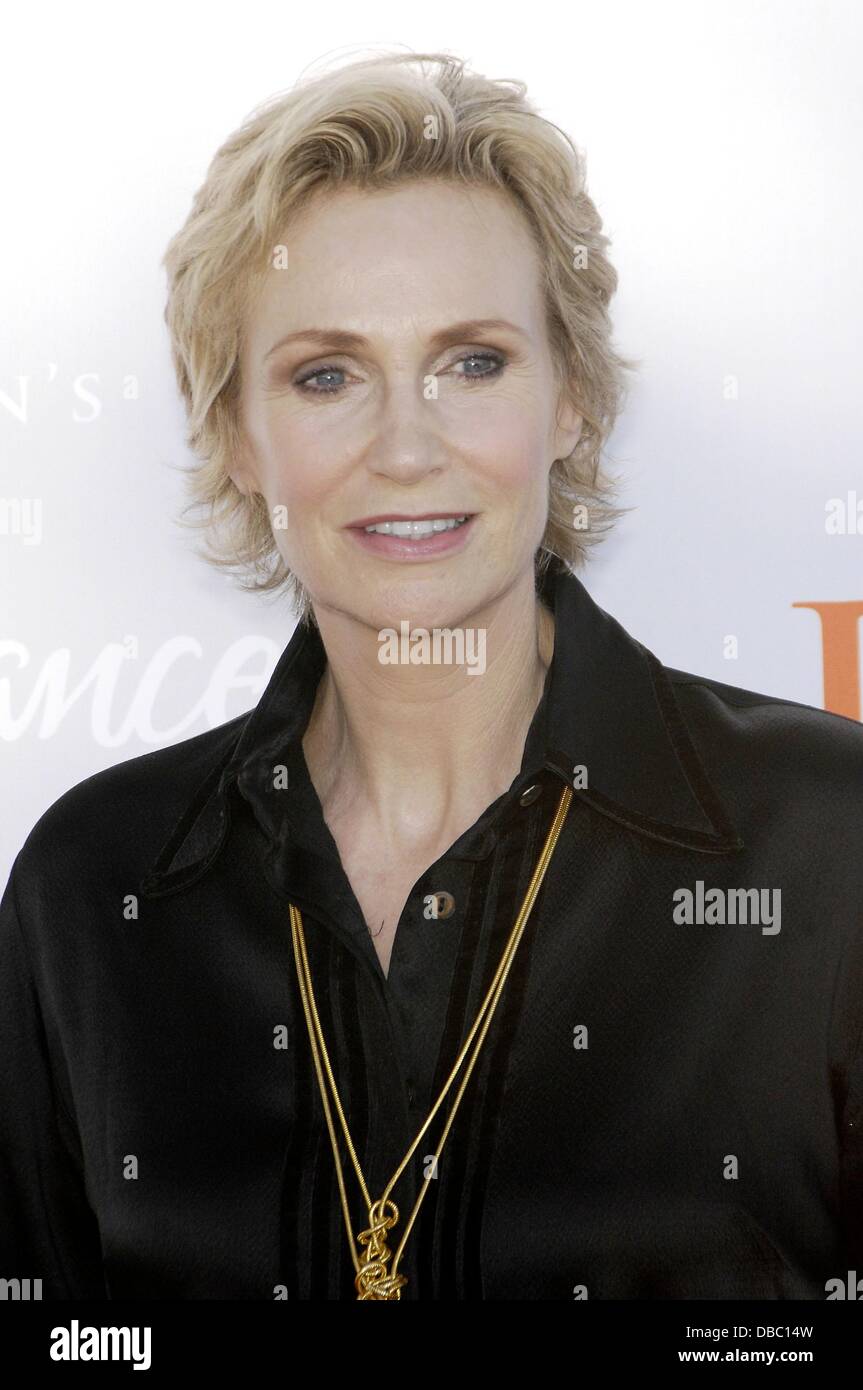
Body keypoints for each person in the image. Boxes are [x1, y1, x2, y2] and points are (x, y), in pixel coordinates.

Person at [1, 50, 862, 1302]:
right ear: (239, 435)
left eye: (472, 362)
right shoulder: (93, 889)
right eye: (325, 375)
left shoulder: (827, 844)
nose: (405, 447)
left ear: (570, 398)